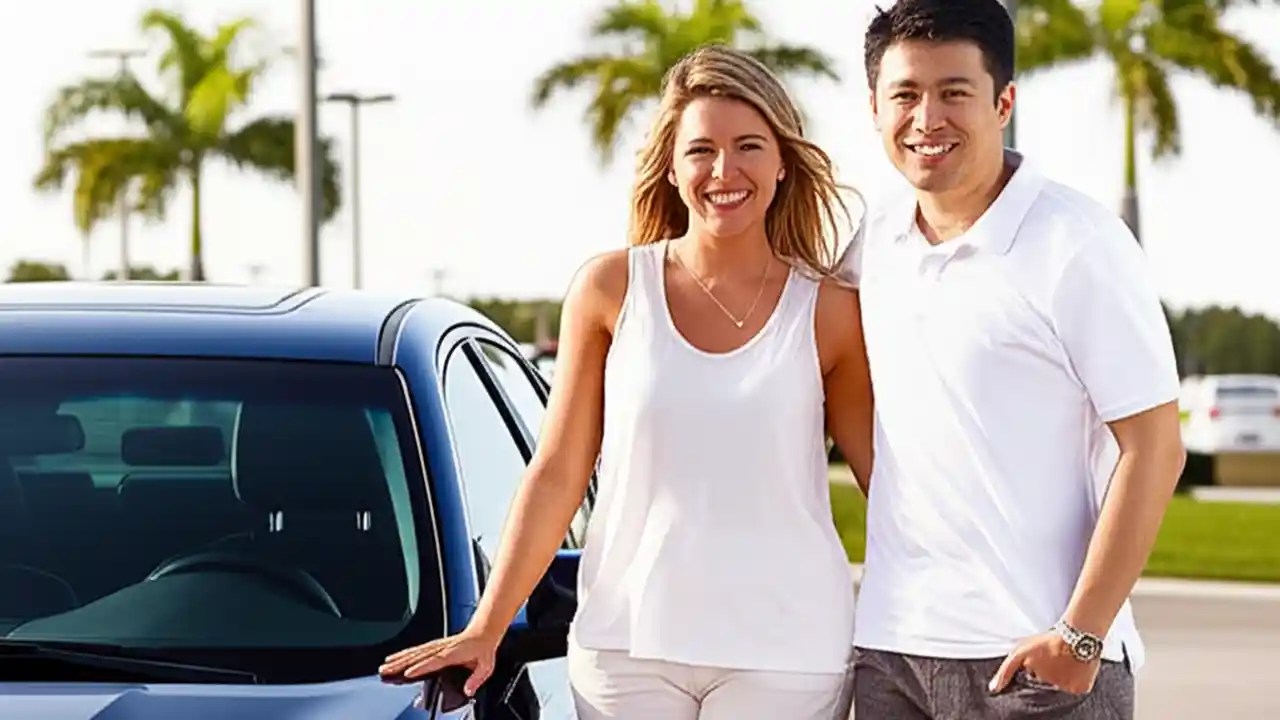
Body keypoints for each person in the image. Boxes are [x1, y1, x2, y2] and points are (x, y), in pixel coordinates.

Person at [379, 44, 874, 719]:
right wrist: (487, 627)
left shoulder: (830, 310)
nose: (724, 170)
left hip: (788, 654)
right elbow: (556, 472)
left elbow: (887, 482)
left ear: (783, 161)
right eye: (701, 150)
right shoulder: (609, 291)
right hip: (626, 650)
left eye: (749, 146)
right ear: (671, 167)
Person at [836, 0, 1187, 717]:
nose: (927, 119)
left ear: (1004, 103)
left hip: (1039, 664)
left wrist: (1082, 636)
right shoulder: (870, 241)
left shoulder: (1078, 243)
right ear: (873, 108)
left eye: (954, 93)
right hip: (892, 652)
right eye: (904, 94)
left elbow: (1155, 448)